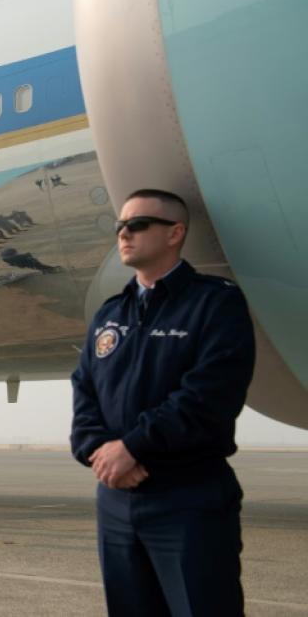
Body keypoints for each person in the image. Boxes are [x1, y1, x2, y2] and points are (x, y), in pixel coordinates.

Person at [70, 189, 255, 616]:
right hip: (116, 500)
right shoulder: (109, 314)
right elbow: (85, 392)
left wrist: (133, 447)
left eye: (137, 225)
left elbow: (209, 396)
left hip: (188, 499)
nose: (124, 234)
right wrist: (99, 451)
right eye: (119, 226)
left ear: (175, 233)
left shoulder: (214, 303)